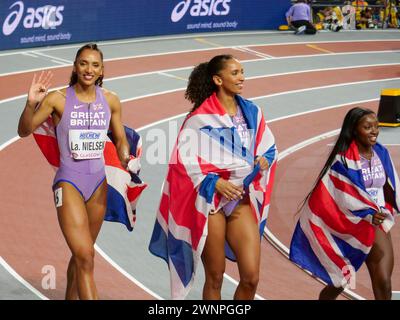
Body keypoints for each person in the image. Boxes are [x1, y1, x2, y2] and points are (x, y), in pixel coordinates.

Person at [149, 55, 277, 300]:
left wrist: (264, 158)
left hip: (239, 199)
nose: (241, 77)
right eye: (235, 73)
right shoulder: (200, 117)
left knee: (251, 278)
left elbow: (267, 145)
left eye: (242, 72)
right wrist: (214, 181)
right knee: (216, 276)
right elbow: (184, 161)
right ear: (218, 79)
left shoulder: (252, 111)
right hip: (210, 203)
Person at [18, 44, 133, 300]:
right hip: (68, 181)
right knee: (85, 256)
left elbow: (120, 138)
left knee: (83, 255)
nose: (88, 69)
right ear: (75, 66)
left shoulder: (111, 100)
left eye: (94, 65)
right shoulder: (57, 99)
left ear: (102, 70)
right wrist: (30, 104)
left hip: (98, 184)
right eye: (83, 63)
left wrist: (125, 156)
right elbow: (24, 131)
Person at [289, 107, 400, 300]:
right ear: (355, 130)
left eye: (376, 126)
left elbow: (390, 185)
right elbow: (341, 196)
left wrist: (388, 207)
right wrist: (367, 211)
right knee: (340, 281)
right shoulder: (342, 160)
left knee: (383, 281)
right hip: (351, 226)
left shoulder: (381, 153)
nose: (374, 131)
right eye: (367, 127)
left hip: (377, 224)